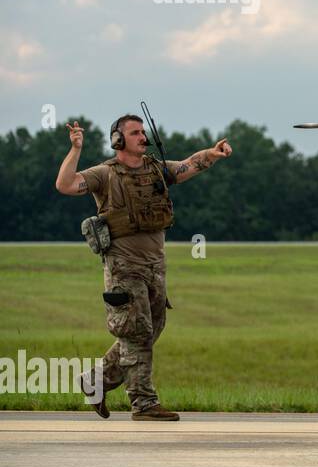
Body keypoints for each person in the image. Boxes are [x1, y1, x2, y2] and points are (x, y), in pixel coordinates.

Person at [54, 115, 232, 421]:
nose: (142, 137)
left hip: (155, 266)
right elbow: (65, 184)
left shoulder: (156, 169)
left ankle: (95, 380)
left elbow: (187, 165)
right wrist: (75, 149)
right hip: (124, 268)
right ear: (118, 140)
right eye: (135, 133)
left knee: (150, 329)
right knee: (136, 333)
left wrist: (211, 155)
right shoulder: (105, 174)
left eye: (142, 132)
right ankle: (144, 403)